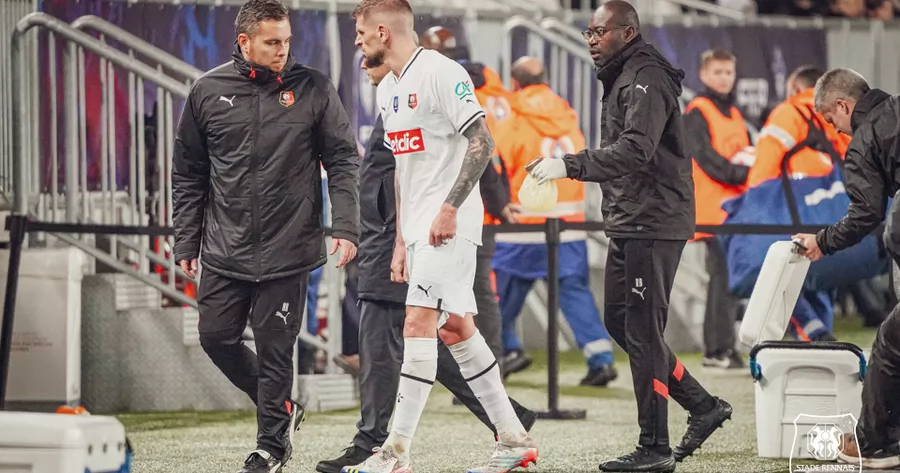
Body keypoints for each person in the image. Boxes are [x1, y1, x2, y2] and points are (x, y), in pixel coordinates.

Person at [528, 2, 732, 471]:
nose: (592, 39)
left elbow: (636, 149)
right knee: (621, 324)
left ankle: (655, 447)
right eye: (589, 31)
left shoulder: (646, 77)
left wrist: (569, 165)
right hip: (630, 220)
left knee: (642, 331)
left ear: (629, 32)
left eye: (601, 31)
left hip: (653, 223)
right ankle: (703, 407)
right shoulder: (621, 75)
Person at [315, 59, 537, 473]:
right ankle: (511, 429)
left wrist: (450, 209)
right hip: (410, 228)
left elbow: (481, 144)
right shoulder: (391, 91)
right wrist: (400, 238)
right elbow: (403, 170)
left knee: (412, 326)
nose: (359, 50)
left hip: (442, 223)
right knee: (453, 329)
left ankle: (389, 450)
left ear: (385, 32)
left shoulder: (439, 75)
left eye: (364, 35)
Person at [171, 1, 360, 472]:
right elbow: (189, 174)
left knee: (278, 350)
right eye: (273, 42)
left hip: (289, 246)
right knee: (216, 338)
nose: (283, 50)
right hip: (223, 247)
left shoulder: (313, 87)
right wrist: (185, 241)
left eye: (287, 41)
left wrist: (346, 226)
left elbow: (342, 161)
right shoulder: (207, 90)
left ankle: (271, 447)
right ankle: (282, 407)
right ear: (245, 42)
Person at [792, 67, 900, 470]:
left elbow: (865, 214)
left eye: (831, 120)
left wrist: (821, 241)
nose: (836, 130)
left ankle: (875, 446)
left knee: (890, 348)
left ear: (843, 105)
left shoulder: (864, 139)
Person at [491, 56, 618, 386]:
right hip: (568, 223)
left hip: (524, 224)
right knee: (575, 293)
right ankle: (600, 357)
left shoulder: (512, 119)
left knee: (501, 297)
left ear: (515, 83)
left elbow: (497, 166)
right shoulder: (566, 117)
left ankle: (503, 352)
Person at [418, 26, 517, 376]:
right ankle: (490, 364)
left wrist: (494, 199)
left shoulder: (444, 82)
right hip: (480, 203)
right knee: (472, 294)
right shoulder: (491, 86)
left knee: (467, 295)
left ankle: (485, 368)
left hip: (463, 205)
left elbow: (479, 149)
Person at [748, 65, 849, 342]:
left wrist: (757, 204)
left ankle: (813, 331)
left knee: (787, 272)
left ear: (794, 89)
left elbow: (765, 166)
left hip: (795, 204)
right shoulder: (836, 114)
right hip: (835, 207)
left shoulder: (788, 112)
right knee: (821, 274)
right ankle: (822, 335)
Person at [682, 49, 752, 371]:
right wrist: (743, 174)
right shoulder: (697, 111)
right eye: (718, 72)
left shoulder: (734, 113)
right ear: (704, 75)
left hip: (735, 208)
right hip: (714, 209)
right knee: (722, 280)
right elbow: (707, 159)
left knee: (727, 280)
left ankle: (722, 347)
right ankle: (717, 349)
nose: (725, 78)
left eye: (729, 72)